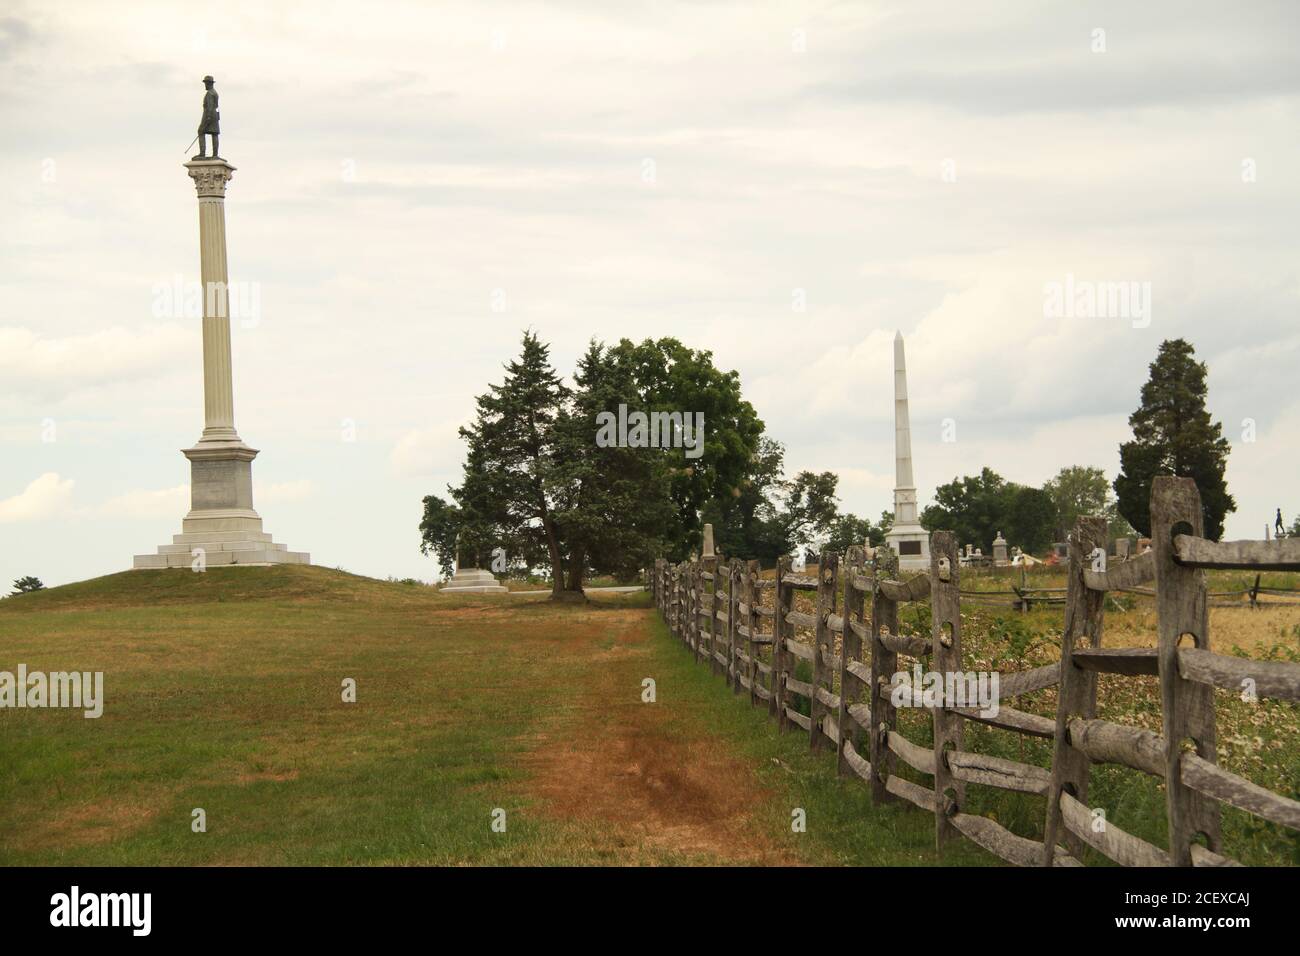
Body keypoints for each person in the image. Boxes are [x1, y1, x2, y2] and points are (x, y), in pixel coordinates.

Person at [195, 76, 220, 159]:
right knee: (214, 134)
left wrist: (208, 118)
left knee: (201, 131)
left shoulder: (209, 93)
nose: (205, 85)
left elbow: (209, 107)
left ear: (208, 83)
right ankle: (215, 154)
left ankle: (202, 153)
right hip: (215, 115)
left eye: (205, 83)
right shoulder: (215, 93)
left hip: (209, 115)